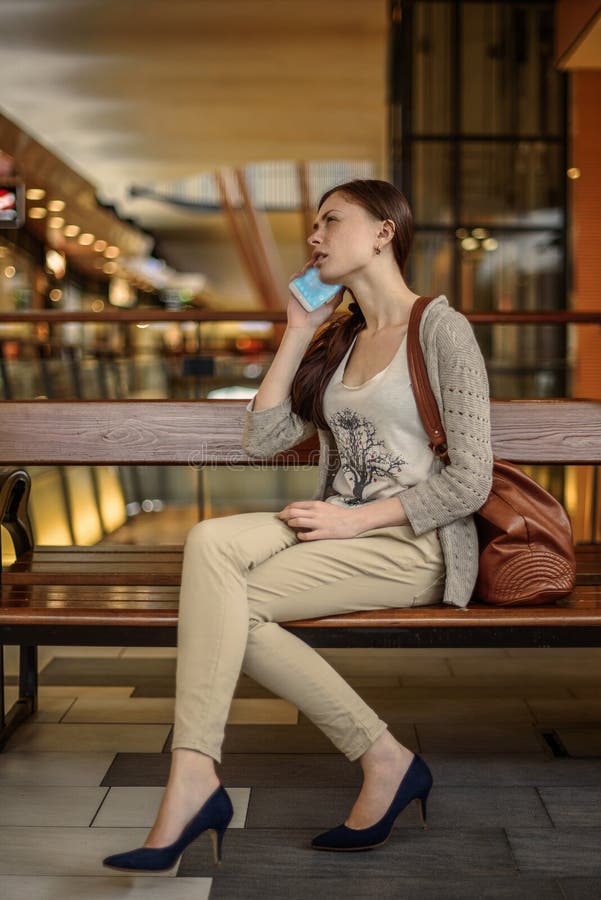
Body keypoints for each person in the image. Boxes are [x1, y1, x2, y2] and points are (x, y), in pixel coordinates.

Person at [103, 179, 493, 871]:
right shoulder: (341, 337)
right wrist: (296, 330)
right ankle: (216, 773)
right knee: (210, 542)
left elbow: (470, 480)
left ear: (383, 231)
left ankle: (360, 759)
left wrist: (355, 521)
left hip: (412, 542)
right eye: (312, 224)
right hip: (334, 522)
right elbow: (262, 439)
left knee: (227, 608)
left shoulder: (440, 328)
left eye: (330, 221)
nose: (313, 236)